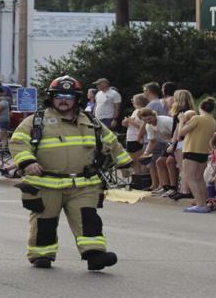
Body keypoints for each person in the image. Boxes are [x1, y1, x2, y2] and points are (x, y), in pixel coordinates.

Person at [8, 75, 133, 271]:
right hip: (46, 184)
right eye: (59, 95)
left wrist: (125, 163)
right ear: (51, 98)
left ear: (77, 99)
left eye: (68, 95)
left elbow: (112, 143)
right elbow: (18, 142)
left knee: (88, 219)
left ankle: (95, 254)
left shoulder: (92, 121)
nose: (63, 99)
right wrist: (27, 161)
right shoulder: (37, 121)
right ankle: (42, 255)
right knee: (45, 222)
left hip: (84, 184)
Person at [178, 95, 216, 212]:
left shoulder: (197, 118)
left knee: (190, 177)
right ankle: (203, 203)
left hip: (191, 149)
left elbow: (181, 132)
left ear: (200, 107)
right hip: (203, 151)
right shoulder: (212, 121)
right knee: (199, 178)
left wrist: (181, 121)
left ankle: (200, 204)